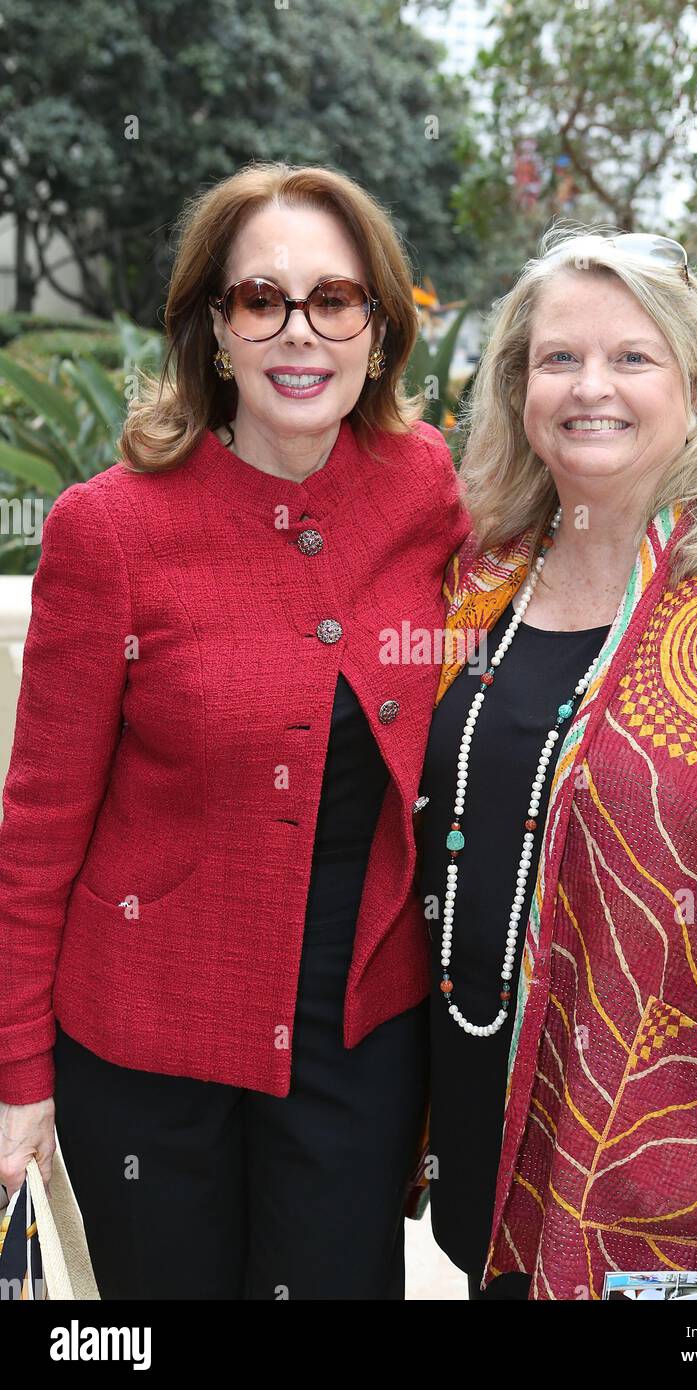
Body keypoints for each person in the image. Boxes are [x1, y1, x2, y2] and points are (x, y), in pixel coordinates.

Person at [0, 161, 471, 1300]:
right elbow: (39, 827)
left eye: (335, 298)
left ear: (379, 325)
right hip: (149, 1048)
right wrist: (18, 1075)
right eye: (261, 299)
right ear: (214, 327)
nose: (299, 332)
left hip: (359, 1045)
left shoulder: (427, 487)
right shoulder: (107, 530)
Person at [415, 226, 697, 1300]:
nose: (588, 387)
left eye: (630, 358)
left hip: (687, 1165)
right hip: (491, 1103)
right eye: (556, 357)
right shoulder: (487, 570)